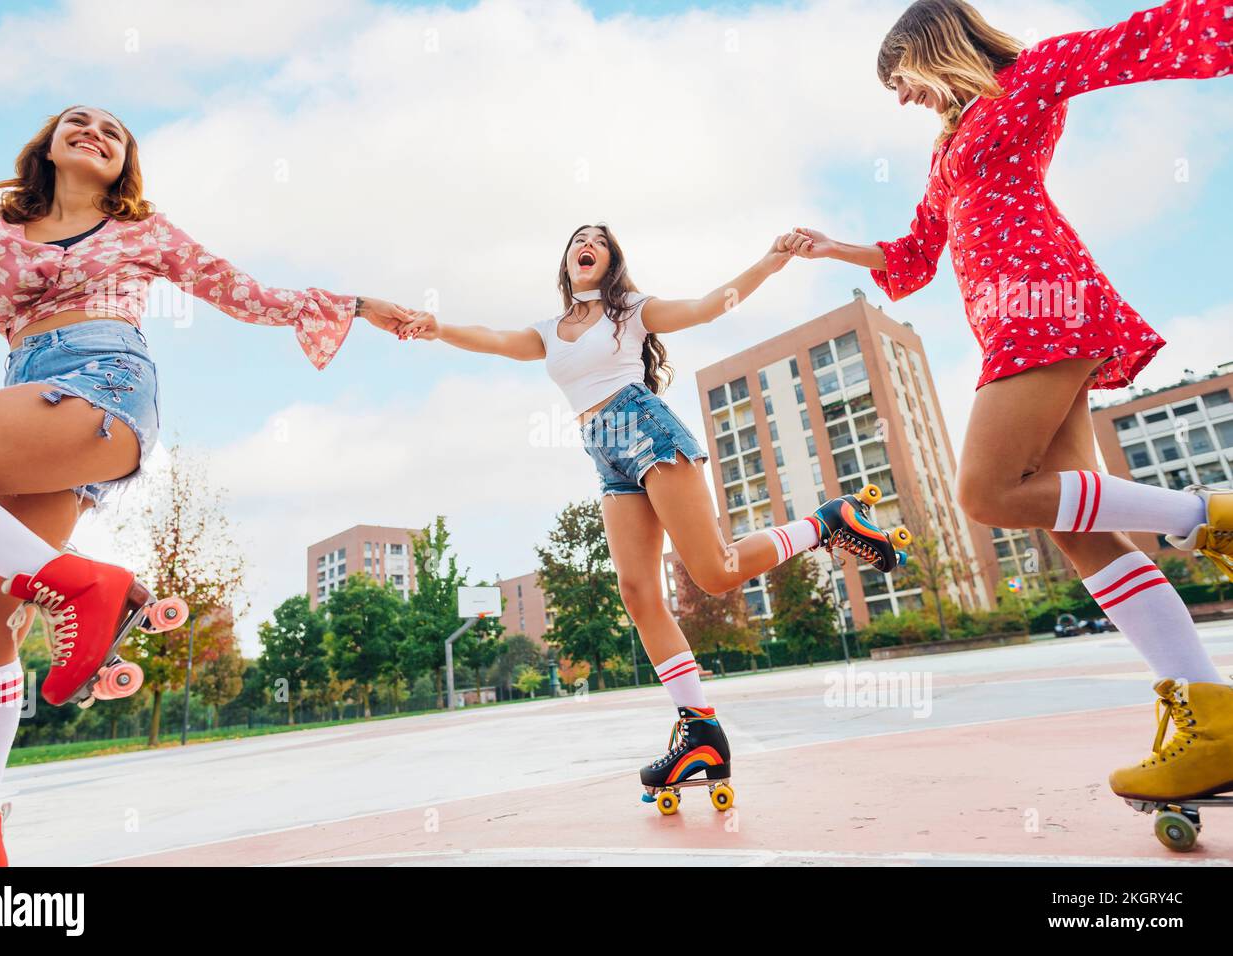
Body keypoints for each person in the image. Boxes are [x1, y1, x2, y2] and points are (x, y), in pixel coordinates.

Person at [0, 105, 417, 866]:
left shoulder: (145, 234)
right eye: (77, 121)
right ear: (46, 147)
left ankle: (78, 585)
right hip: (24, 406)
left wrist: (351, 305)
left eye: (113, 132)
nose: (94, 130)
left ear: (125, 164)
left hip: (103, 383)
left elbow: (244, 293)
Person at [791, 0, 1233, 805]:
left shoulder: (1027, 79)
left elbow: (1139, 41)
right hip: (1006, 317)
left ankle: (1206, 515)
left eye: (901, 79)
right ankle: (1211, 715)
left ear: (933, 47)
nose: (900, 98)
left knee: (985, 492)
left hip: (1046, 298)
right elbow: (917, 254)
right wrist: (831, 247)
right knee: (1079, 534)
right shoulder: (946, 149)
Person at [393, 223, 909, 813]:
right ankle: (701, 731)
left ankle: (828, 521)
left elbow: (709, 305)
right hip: (605, 450)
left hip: (646, 428)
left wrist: (769, 260)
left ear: (610, 259)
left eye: (599, 239)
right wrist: (436, 327)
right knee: (638, 592)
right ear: (567, 260)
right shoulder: (548, 332)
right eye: (577, 238)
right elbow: (491, 337)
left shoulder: (630, 311)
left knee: (715, 571)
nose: (586, 243)